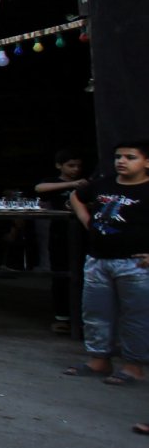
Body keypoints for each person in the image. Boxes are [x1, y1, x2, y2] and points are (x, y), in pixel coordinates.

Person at [65, 139, 149, 386]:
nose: (122, 161)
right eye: (118, 157)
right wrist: (87, 221)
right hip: (98, 260)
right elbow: (76, 196)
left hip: (134, 264)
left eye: (130, 157)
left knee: (135, 316)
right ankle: (99, 360)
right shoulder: (104, 184)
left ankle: (133, 366)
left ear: (147, 162)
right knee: (96, 312)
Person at [34, 149, 87, 335]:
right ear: (59, 166)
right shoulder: (55, 182)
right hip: (60, 233)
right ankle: (62, 317)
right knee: (60, 274)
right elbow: (39, 189)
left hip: (83, 234)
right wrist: (72, 184)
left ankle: (81, 318)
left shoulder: (87, 183)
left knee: (83, 275)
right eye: (71, 166)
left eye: (78, 166)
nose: (75, 169)